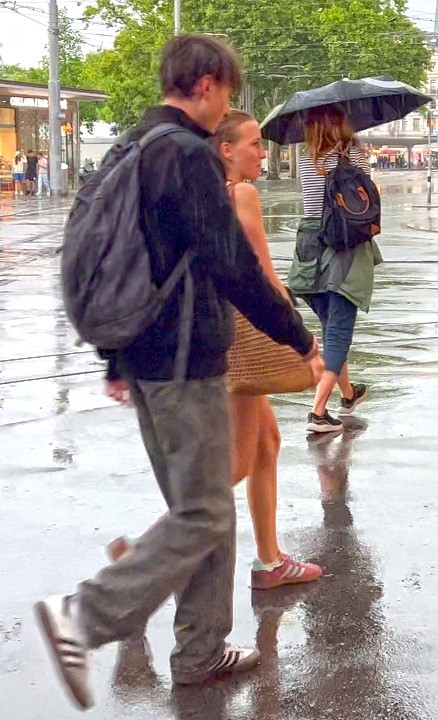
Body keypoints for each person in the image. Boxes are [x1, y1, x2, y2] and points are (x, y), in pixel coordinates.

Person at [34, 34, 323, 710]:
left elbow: (113, 256)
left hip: (144, 355)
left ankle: (200, 653)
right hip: (182, 355)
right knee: (204, 511)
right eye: (227, 91)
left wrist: (115, 356)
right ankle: (83, 618)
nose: (226, 106)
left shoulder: (131, 148)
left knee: (204, 505)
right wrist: (297, 337)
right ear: (207, 83)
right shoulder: (186, 155)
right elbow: (230, 263)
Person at [212, 110, 326, 587]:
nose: (264, 153)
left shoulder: (202, 195)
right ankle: (143, 555)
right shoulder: (240, 193)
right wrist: (300, 338)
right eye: (255, 144)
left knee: (267, 443)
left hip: (218, 329)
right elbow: (261, 273)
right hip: (247, 333)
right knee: (236, 462)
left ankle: (269, 561)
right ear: (227, 150)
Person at [287, 105, 378, 434]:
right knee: (339, 333)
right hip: (343, 247)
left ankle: (349, 395)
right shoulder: (352, 155)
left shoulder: (305, 157)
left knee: (331, 329)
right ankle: (318, 412)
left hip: (307, 248)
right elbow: (366, 198)